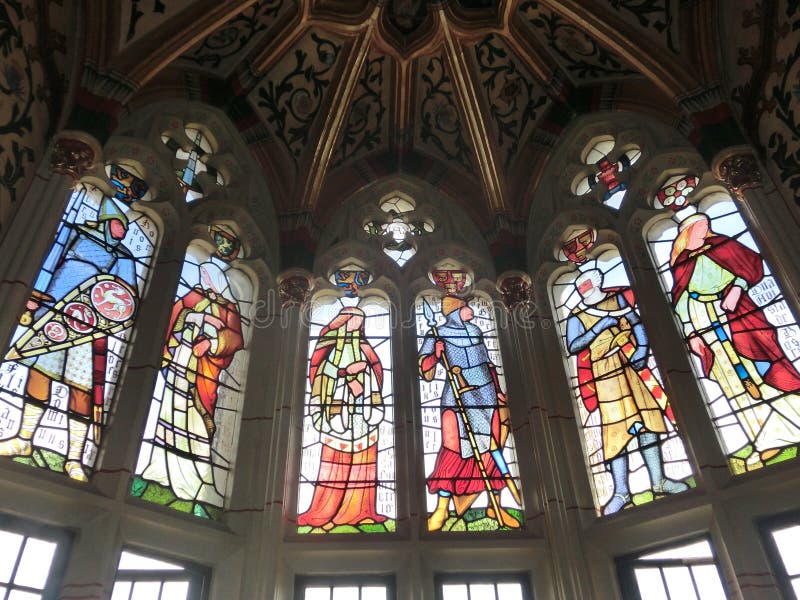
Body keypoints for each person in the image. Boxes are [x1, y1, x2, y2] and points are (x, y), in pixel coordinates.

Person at [0, 196, 138, 482]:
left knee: (82, 391)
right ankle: (24, 438)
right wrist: (35, 296)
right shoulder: (75, 233)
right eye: (118, 224)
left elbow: (127, 296)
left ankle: (75, 458)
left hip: (87, 326)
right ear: (106, 222)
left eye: (124, 227)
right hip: (52, 313)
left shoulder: (123, 256)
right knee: (39, 374)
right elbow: (50, 261)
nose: (122, 230)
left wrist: (112, 321)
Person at [669, 212, 800, 464]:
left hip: (736, 309)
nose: (705, 230)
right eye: (699, 228)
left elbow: (751, 266)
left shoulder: (723, 245)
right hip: (701, 317)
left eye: (706, 226)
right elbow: (681, 299)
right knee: (729, 379)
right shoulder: (682, 263)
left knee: (761, 364)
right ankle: (764, 440)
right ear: (686, 235)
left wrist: (738, 288)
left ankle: (794, 426)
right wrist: (691, 332)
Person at [566, 269, 688, 514]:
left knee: (647, 422)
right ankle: (621, 491)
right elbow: (573, 345)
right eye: (580, 286)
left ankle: (659, 481)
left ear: (598, 282)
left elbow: (635, 322)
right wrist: (599, 327)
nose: (582, 289)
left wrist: (643, 348)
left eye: (587, 283)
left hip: (632, 362)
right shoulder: (576, 315)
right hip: (605, 373)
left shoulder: (618, 301)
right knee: (616, 431)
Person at [139, 262, 244, 509]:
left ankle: (196, 480)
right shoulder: (194, 295)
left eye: (209, 277)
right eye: (203, 275)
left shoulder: (229, 308)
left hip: (202, 373)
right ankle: (159, 471)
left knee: (196, 422)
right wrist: (198, 316)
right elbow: (174, 316)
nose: (205, 280)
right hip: (179, 362)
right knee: (170, 414)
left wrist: (211, 343)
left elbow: (236, 339)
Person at [418, 296, 520, 530]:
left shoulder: (475, 331)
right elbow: (424, 369)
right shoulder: (437, 333)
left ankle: (495, 505)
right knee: (453, 450)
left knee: (493, 448)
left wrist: (498, 391)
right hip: (457, 395)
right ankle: (442, 509)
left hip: (486, 392)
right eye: (466, 307)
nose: (470, 309)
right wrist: (435, 355)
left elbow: (488, 363)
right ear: (455, 311)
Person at [298, 306, 387, 530]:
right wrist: (345, 375)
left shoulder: (364, 347)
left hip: (362, 412)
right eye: (354, 320)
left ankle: (359, 511)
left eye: (361, 321)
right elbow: (321, 373)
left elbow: (375, 370)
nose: (358, 324)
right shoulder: (330, 347)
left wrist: (363, 374)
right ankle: (324, 513)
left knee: (363, 464)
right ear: (344, 321)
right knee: (335, 465)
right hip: (338, 414)